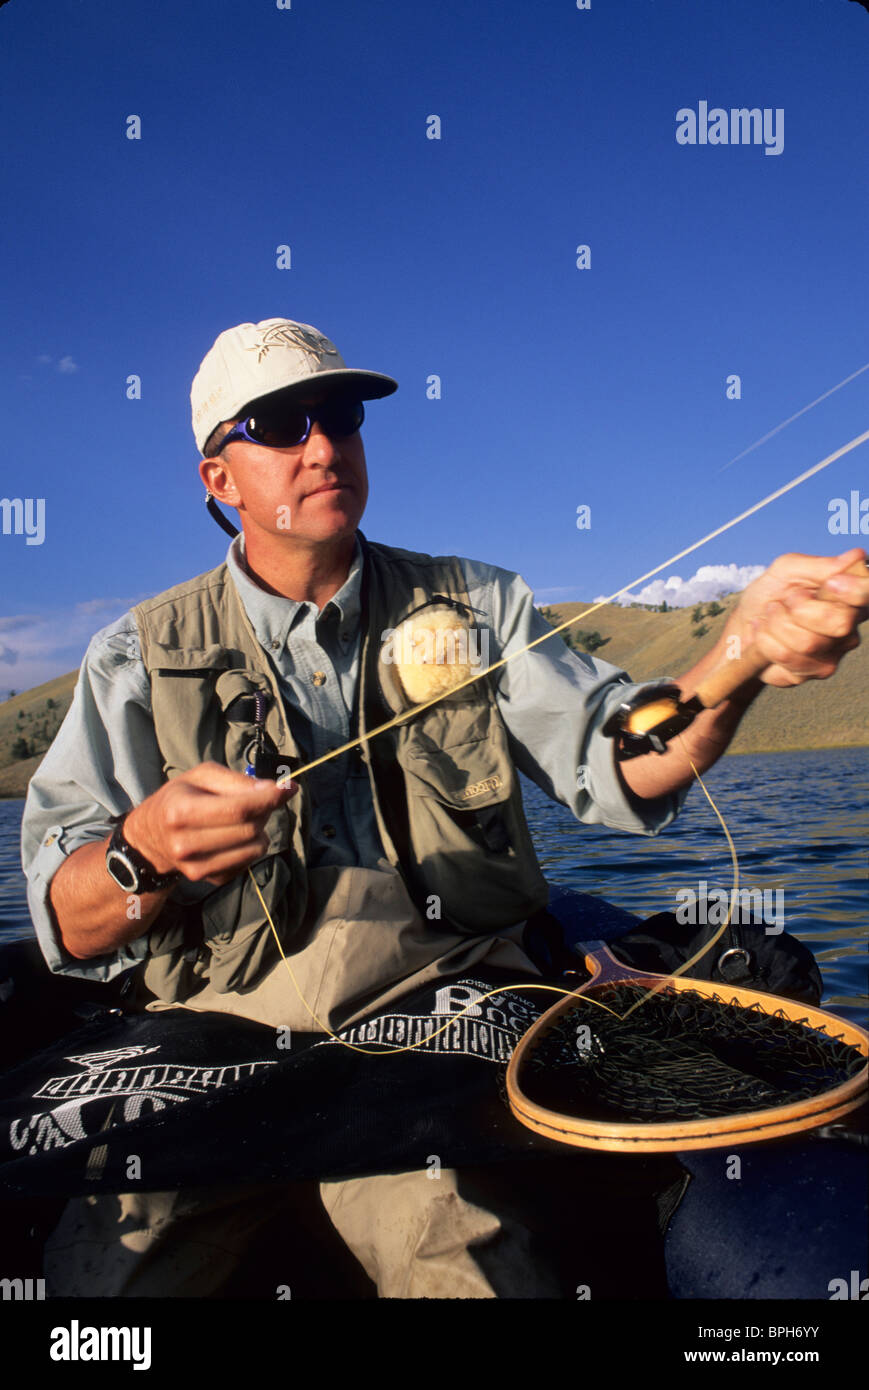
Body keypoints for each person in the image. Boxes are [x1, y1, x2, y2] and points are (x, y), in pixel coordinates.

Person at [20, 317, 868, 1299]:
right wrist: (141, 856)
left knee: (474, 1273)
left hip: (439, 1019)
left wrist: (740, 657)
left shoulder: (477, 604)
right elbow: (68, 920)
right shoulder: (135, 655)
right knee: (101, 1289)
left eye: (339, 416)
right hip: (213, 1043)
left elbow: (618, 761)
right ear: (219, 479)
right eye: (280, 424)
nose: (324, 445)